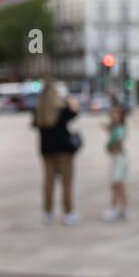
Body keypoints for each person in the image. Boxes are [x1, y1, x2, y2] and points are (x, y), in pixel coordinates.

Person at [32, 79, 81, 225]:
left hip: (46, 151)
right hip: (64, 152)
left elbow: (34, 125)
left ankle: (48, 213)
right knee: (66, 183)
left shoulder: (39, 111)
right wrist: (67, 97)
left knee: (48, 183)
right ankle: (68, 212)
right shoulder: (61, 110)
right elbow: (75, 110)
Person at [103, 97, 130, 222]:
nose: (113, 115)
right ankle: (124, 208)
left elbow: (117, 144)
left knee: (116, 183)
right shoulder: (116, 127)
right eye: (111, 113)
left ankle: (114, 208)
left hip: (119, 158)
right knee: (119, 184)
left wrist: (111, 147)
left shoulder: (119, 128)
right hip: (117, 158)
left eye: (116, 113)